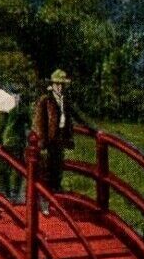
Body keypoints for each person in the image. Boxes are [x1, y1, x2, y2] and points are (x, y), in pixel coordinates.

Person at [30, 69, 96, 200]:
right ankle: (44, 202)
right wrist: (42, 142)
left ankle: (54, 199)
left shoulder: (65, 100)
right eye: (57, 84)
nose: (60, 87)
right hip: (48, 141)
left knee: (57, 171)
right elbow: (39, 122)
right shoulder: (45, 100)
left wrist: (94, 129)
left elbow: (79, 116)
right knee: (46, 172)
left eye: (62, 85)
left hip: (60, 139)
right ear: (52, 85)